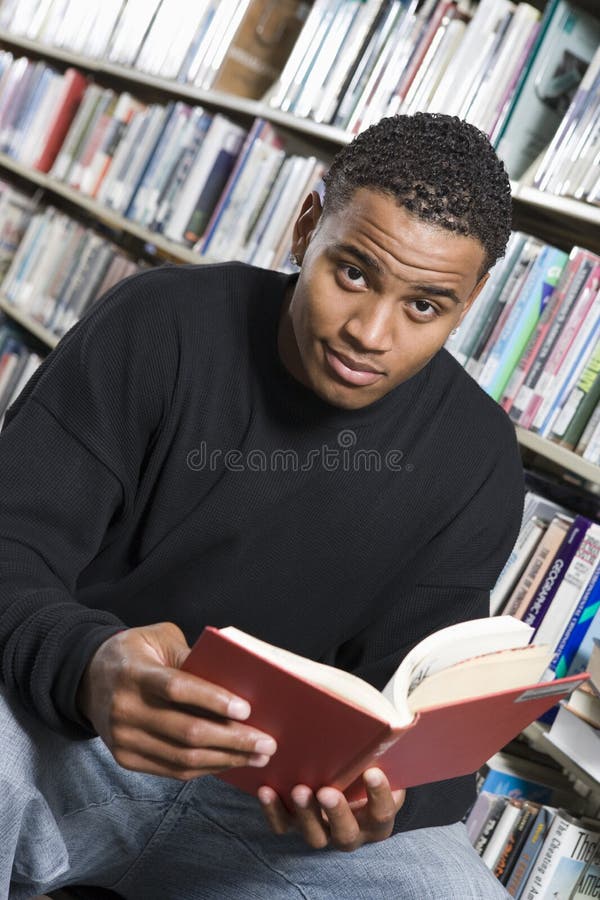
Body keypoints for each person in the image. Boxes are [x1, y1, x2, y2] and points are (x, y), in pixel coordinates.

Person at [0, 112, 524, 899]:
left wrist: (389, 801)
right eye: (352, 272)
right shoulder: (158, 325)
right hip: (65, 733)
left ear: (472, 299)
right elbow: (10, 545)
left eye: (426, 307)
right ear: (305, 225)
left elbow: (424, 709)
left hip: (267, 814)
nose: (370, 334)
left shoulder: (478, 456)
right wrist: (87, 667)